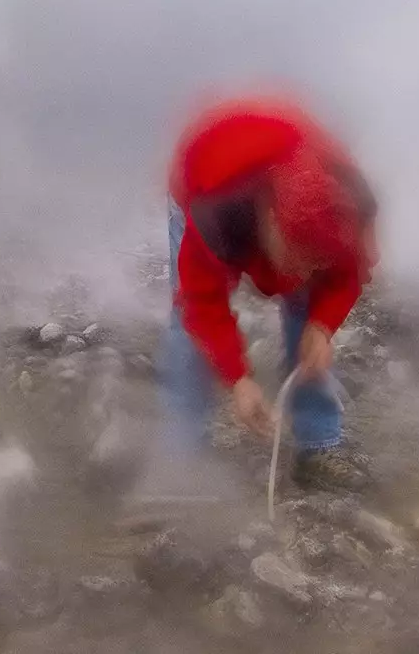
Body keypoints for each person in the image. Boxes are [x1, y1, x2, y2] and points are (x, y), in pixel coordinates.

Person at [157, 95, 380, 491]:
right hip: (205, 161)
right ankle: (181, 453)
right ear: (270, 220)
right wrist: (238, 380)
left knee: (307, 313)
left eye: (315, 264)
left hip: (290, 143)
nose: (299, 275)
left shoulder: (345, 211)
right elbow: (201, 303)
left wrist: (323, 325)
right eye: (296, 258)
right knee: (188, 325)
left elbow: (348, 274)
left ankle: (319, 442)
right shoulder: (215, 213)